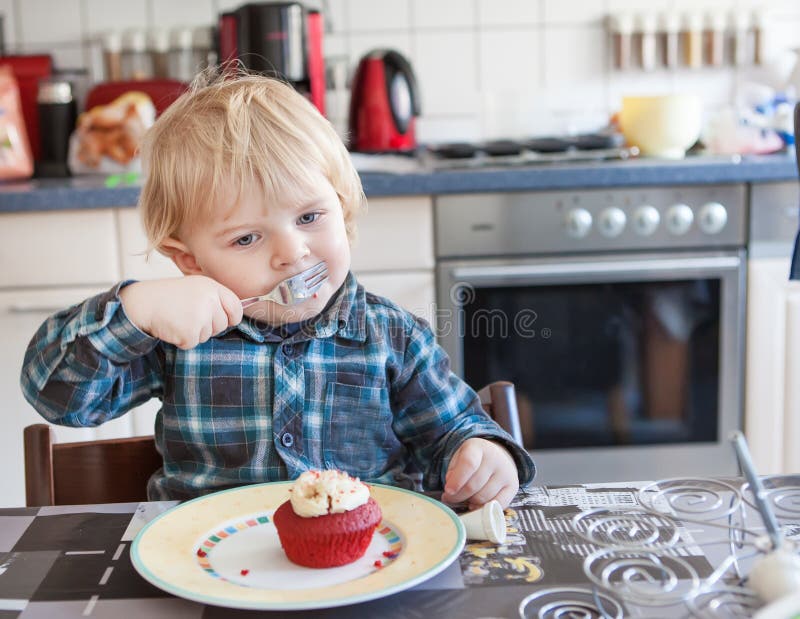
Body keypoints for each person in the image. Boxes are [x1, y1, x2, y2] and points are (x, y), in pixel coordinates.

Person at [20, 70, 535, 508]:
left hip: (362, 569)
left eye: (310, 216)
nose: (292, 252)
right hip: (207, 569)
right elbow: (58, 397)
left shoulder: (393, 337)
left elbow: (452, 431)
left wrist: (483, 454)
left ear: (344, 206)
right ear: (190, 260)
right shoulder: (179, 339)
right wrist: (132, 310)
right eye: (246, 237)